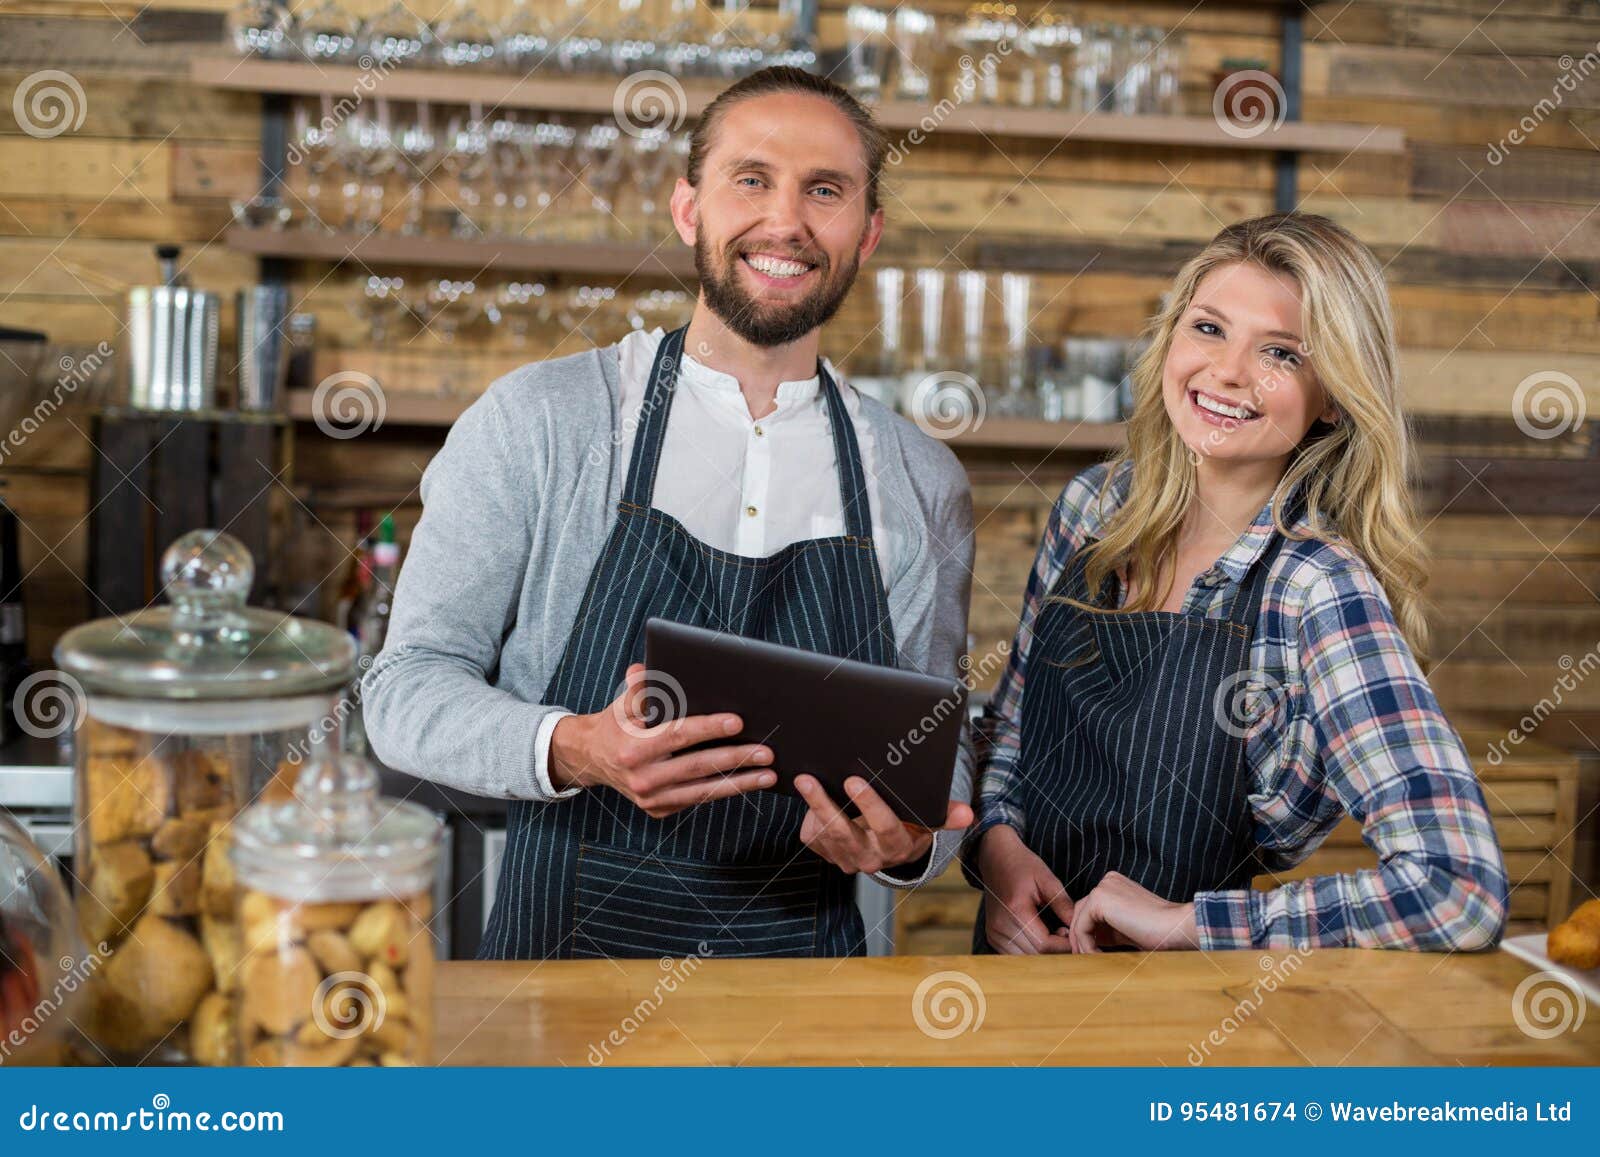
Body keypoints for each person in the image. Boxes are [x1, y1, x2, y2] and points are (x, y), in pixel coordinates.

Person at [362, 67, 975, 960]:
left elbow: (936, 749)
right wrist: (574, 746)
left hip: (804, 1005)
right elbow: (403, 689)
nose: (787, 222)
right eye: (752, 179)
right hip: (557, 982)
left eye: (826, 191)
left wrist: (913, 844)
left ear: (868, 232)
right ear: (690, 209)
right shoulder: (545, 421)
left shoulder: (920, 479)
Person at [967, 212, 1509, 954]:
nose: (1226, 372)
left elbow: (1459, 887)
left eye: (1281, 352)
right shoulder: (1093, 508)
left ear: (1336, 396)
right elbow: (1012, 729)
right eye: (1210, 328)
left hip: (1187, 1025)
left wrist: (1192, 924)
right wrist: (997, 848)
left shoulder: (1316, 586)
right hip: (1010, 981)